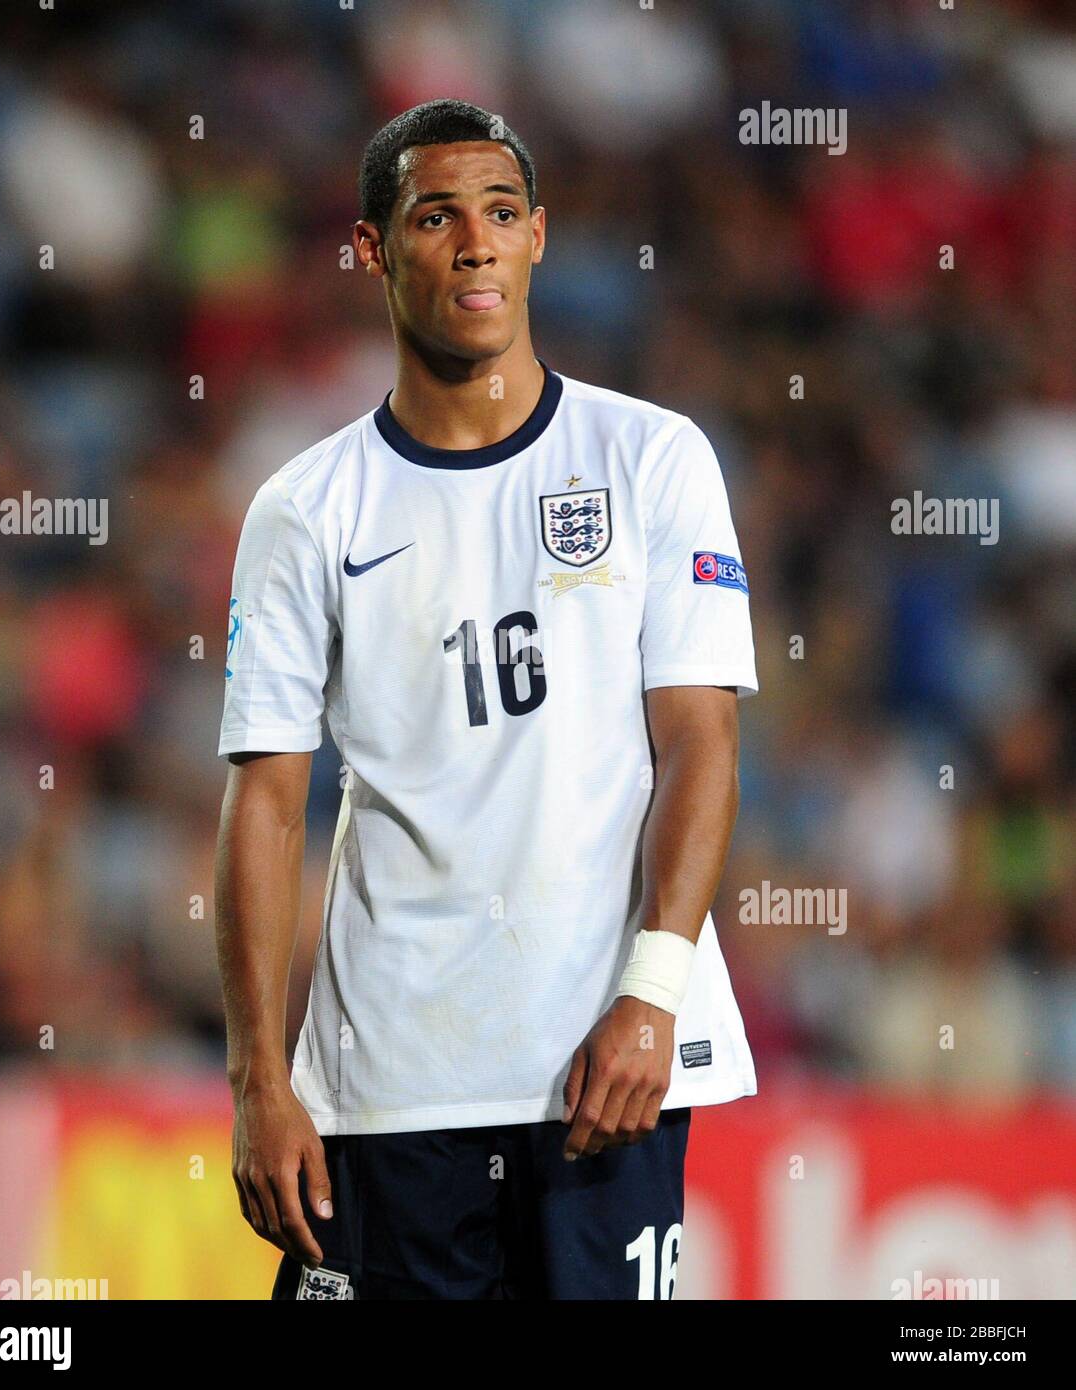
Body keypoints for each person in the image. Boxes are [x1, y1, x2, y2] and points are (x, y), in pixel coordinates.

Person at [214, 98, 758, 1301]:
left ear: (538, 239)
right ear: (370, 249)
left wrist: (650, 995)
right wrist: (260, 1079)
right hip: (389, 1085)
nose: (475, 242)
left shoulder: (651, 457)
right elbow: (264, 804)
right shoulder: (308, 509)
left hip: (608, 1074)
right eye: (436, 215)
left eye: (501, 213)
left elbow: (702, 746)